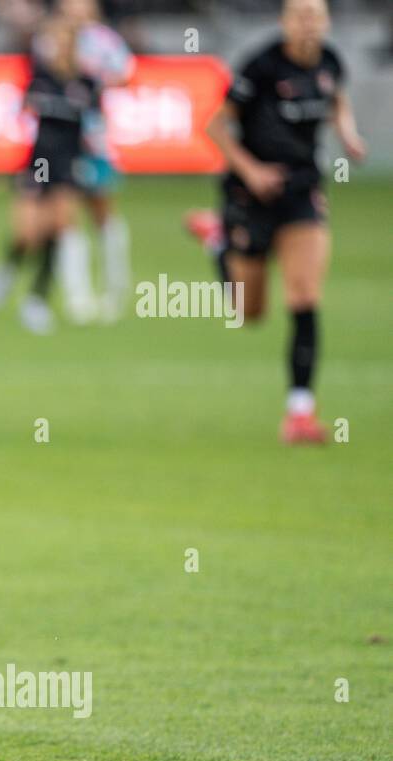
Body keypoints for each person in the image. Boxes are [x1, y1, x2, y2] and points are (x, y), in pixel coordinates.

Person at [185, 0, 364, 443]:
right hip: (252, 196)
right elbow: (217, 128)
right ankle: (218, 242)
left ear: (326, 22)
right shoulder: (261, 67)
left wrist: (348, 134)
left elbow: (337, 101)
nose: (308, 25)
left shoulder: (330, 62)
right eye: (299, 16)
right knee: (249, 312)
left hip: (302, 192)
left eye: (316, 16)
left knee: (304, 296)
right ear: (284, 22)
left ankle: (299, 411)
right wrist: (251, 172)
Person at [0, 16, 97, 335]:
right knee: (27, 233)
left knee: (59, 230)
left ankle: (37, 300)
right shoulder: (40, 79)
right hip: (38, 164)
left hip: (68, 166)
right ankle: (8, 268)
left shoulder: (86, 84)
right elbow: (22, 115)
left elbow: (95, 128)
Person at [57, 0, 135, 324]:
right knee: (66, 216)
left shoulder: (104, 40)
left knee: (102, 212)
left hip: (93, 139)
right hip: (60, 140)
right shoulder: (53, 38)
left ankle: (116, 289)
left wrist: (98, 81)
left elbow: (127, 74)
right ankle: (78, 297)